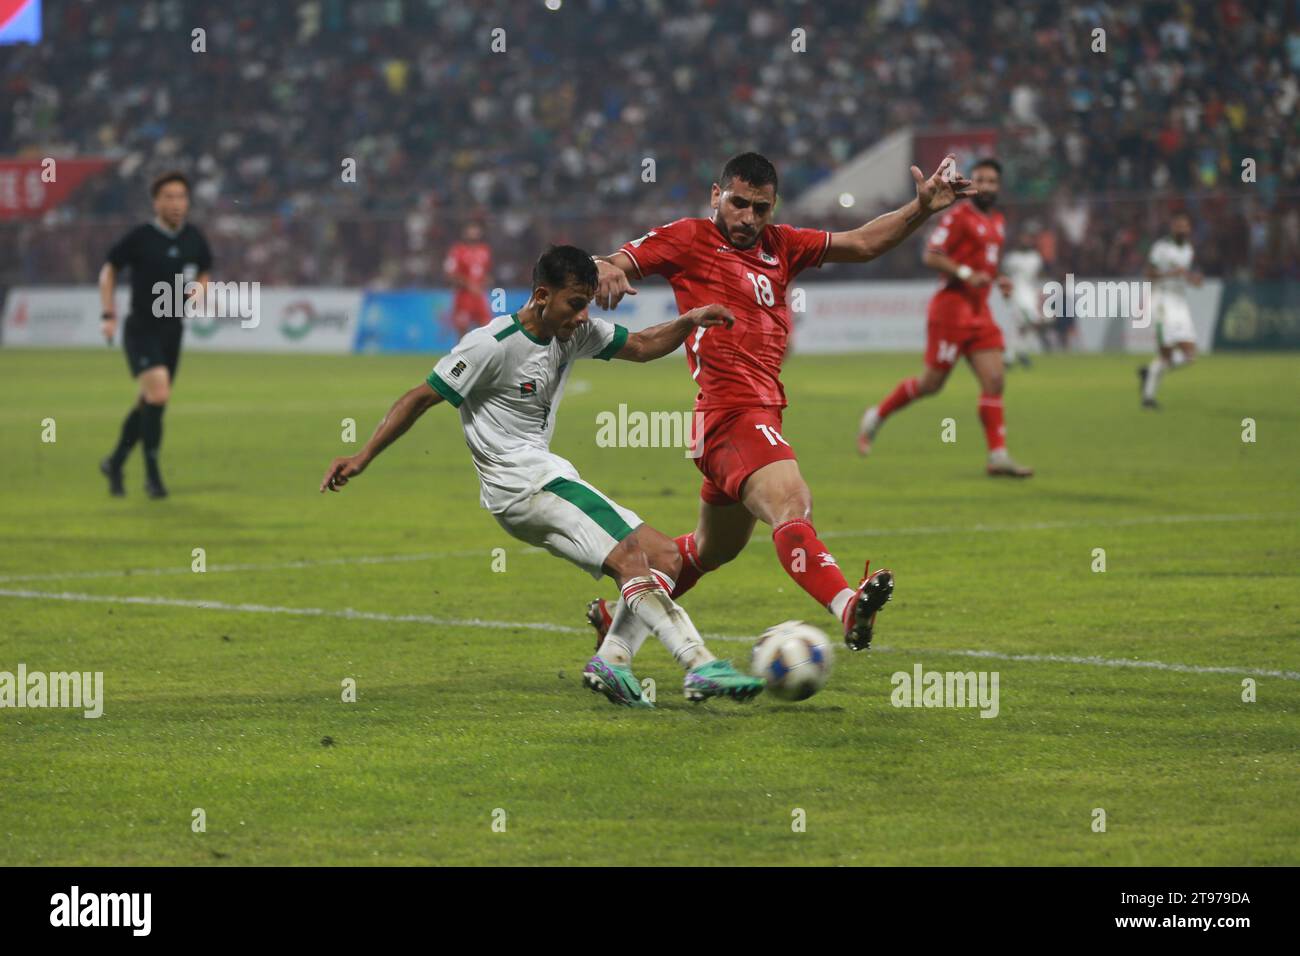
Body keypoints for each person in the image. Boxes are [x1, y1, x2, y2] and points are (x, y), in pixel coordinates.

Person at [320, 245, 763, 708]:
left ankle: (612, 659)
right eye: (574, 303)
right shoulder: (490, 345)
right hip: (524, 482)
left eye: (586, 303)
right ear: (540, 295)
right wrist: (362, 456)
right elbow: (419, 397)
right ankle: (699, 665)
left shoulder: (574, 331)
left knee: (667, 559)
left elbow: (644, 345)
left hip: (539, 478)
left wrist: (689, 320)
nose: (582, 315)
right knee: (631, 555)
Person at [585, 151, 977, 654]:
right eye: (738, 203)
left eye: (760, 208)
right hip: (731, 414)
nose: (748, 218)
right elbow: (616, 260)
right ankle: (847, 604)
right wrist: (603, 267)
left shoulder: (782, 244)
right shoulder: (689, 237)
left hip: (750, 417)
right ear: (715, 196)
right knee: (792, 503)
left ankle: (615, 617)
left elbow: (860, 243)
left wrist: (920, 209)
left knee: (710, 550)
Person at [857, 158, 1034, 478]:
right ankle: (877, 415)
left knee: (995, 380)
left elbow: (987, 266)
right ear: (971, 183)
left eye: (992, 181)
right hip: (951, 310)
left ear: (999, 186)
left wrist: (1000, 280)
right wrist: (966, 273)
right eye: (981, 179)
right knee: (931, 384)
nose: (987, 186)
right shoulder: (959, 217)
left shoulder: (998, 221)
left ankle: (998, 456)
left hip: (980, 312)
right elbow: (932, 255)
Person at [98, 171, 212, 499]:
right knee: (159, 395)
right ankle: (153, 477)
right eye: (170, 197)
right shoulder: (141, 237)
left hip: (172, 330)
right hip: (141, 328)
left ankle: (115, 461)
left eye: (182, 197)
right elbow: (109, 271)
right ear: (156, 202)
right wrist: (108, 314)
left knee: (150, 401)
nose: (177, 204)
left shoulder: (193, 237)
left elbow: (205, 268)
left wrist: (200, 291)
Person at [1138, 213, 1202, 409]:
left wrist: (1193, 279)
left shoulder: (1189, 250)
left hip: (1180, 303)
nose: (1182, 230)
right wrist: (1169, 273)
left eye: (1185, 226)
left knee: (1190, 356)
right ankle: (1148, 398)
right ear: (1172, 228)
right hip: (1162, 301)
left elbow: (1183, 276)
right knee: (1166, 354)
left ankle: (1150, 371)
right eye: (1179, 226)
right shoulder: (1161, 247)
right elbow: (1148, 274)